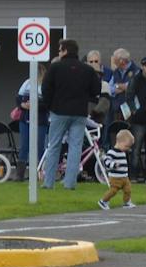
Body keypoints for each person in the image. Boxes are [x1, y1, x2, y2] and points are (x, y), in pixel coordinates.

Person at [38, 41, 103, 190]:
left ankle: (49, 183)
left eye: (60, 50)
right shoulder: (87, 70)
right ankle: (70, 183)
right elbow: (96, 90)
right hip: (79, 113)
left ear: (65, 51)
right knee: (75, 147)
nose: (59, 53)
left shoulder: (55, 67)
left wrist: (50, 105)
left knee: (54, 145)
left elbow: (45, 89)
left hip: (58, 112)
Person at [98, 128, 137, 210]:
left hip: (124, 176)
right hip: (115, 177)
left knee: (128, 189)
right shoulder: (112, 152)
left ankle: (126, 202)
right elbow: (106, 161)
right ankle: (103, 201)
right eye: (126, 146)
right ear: (119, 142)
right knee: (113, 191)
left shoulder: (122, 152)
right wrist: (114, 165)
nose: (127, 148)